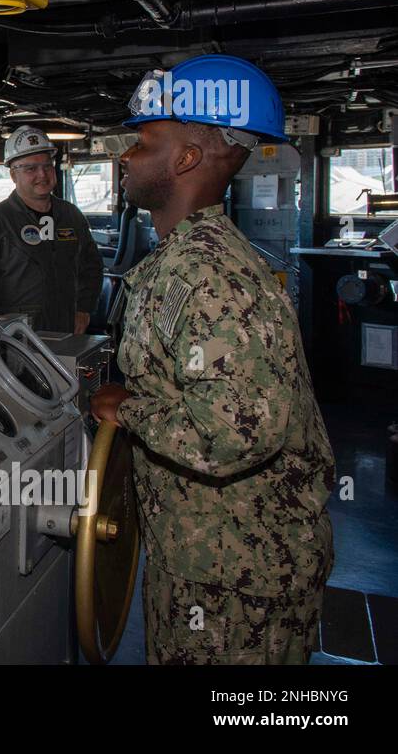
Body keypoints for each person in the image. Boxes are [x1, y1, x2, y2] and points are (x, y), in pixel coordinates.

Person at [90, 54, 334, 664]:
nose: (125, 156)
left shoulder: (214, 278)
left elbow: (231, 434)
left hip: (240, 582)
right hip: (201, 553)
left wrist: (129, 410)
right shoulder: (184, 262)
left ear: (187, 159)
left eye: (143, 141)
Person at [0, 126, 104, 332]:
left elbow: (92, 267)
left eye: (47, 166)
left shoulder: (71, 215)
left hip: (67, 330)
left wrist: (84, 309)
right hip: (17, 339)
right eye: (30, 169)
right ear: (13, 175)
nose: (42, 175)